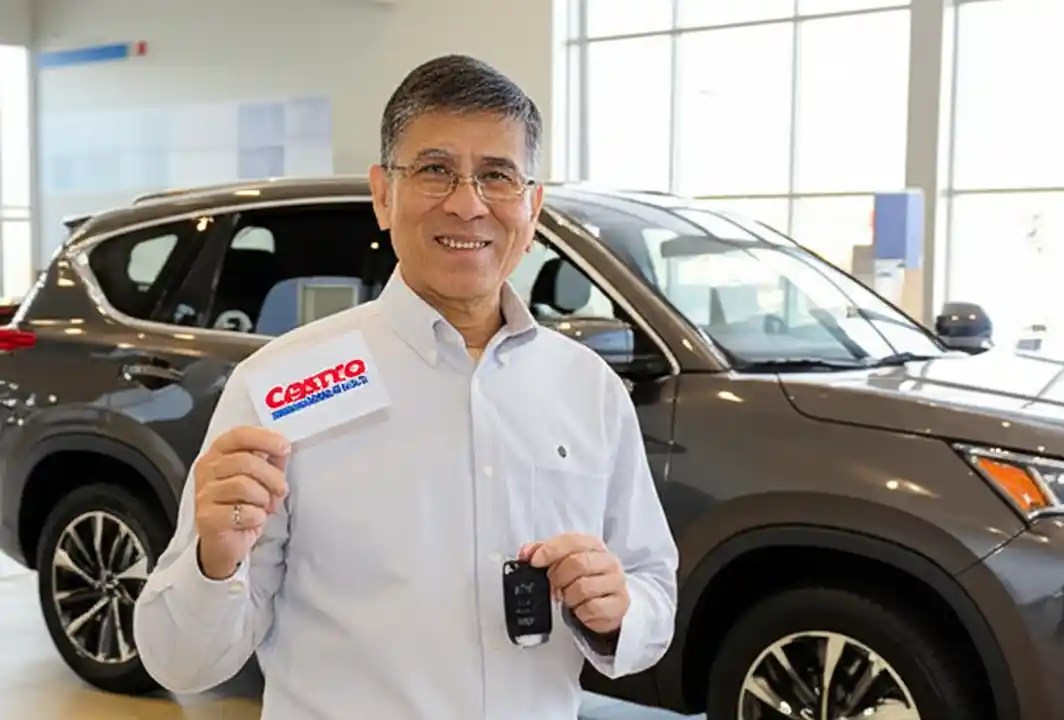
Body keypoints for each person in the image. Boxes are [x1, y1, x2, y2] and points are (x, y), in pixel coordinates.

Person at [133, 54, 679, 719]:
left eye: (497, 176)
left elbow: (652, 585)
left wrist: (619, 610)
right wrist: (213, 561)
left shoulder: (587, 388)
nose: (468, 202)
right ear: (383, 195)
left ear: (532, 207)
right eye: (435, 170)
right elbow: (183, 663)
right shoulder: (282, 385)